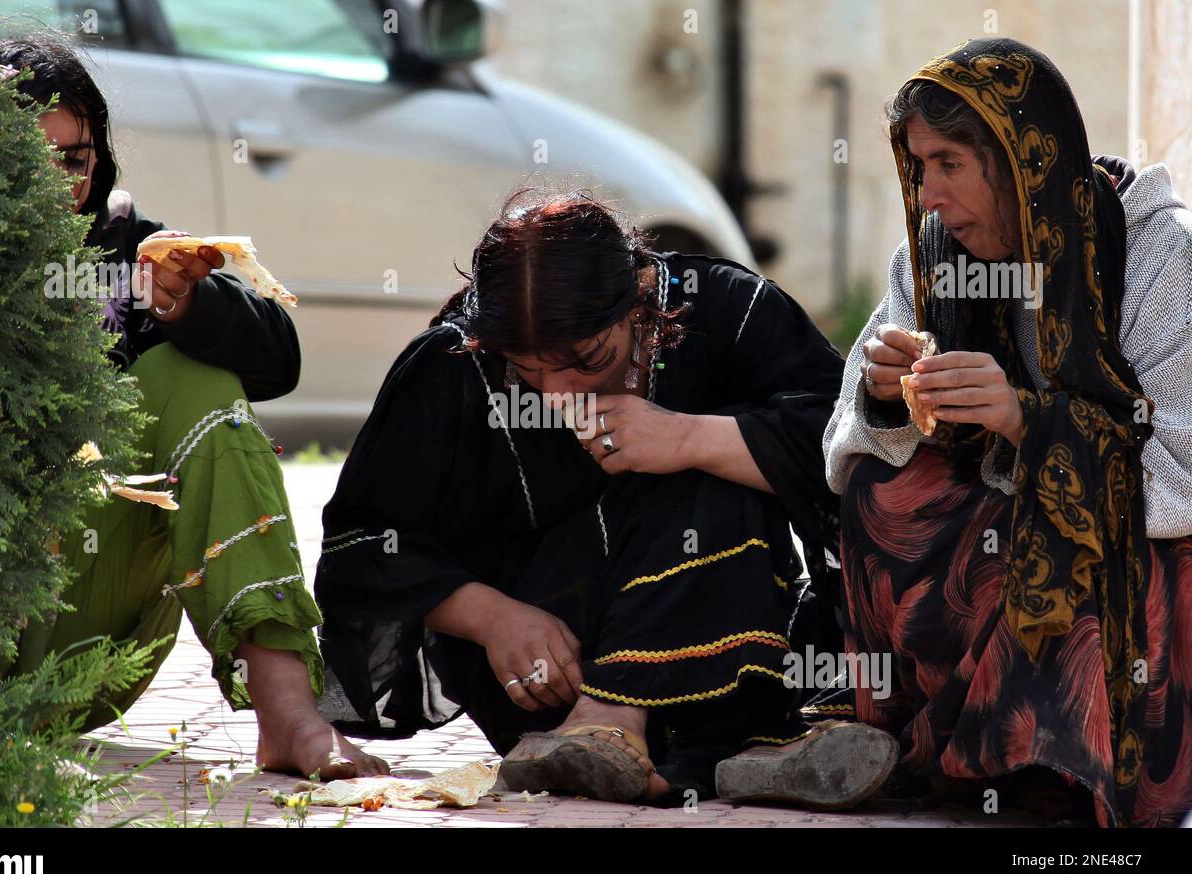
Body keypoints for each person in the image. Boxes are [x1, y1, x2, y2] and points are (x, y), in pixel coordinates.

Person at [314, 189, 899, 805]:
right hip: (545, 670)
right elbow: (361, 546)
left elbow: (848, 446)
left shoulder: (731, 310)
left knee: (709, 473)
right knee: (703, 479)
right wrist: (490, 616)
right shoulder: (454, 364)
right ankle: (666, 739)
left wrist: (689, 435)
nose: (560, 392)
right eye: (529, 371)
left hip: (733, 644)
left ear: (641, 296)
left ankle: (700, 750)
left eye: (587, 358)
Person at [0, 34, 387, 779]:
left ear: (96, 160)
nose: (54, 179)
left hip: (89, 651)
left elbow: (280, 362)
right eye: (23, 155)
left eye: (72, 158)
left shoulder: (125, 251)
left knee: (196, 379)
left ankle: (289, 717)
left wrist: (186, 304)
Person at [824, 37, 1192, 826]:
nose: (928, 194)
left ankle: (1056, 764)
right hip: (997, 523)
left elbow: (1184, 478)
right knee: (879, 488)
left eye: (950, 164)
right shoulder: (931, 258)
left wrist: (1030, 423)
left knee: (1065, 532)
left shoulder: (1157, 256)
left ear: (1023, 163)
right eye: (920, 166)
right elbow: (840, 446)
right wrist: (886, 397)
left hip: (1144, 552)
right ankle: (924, 746)